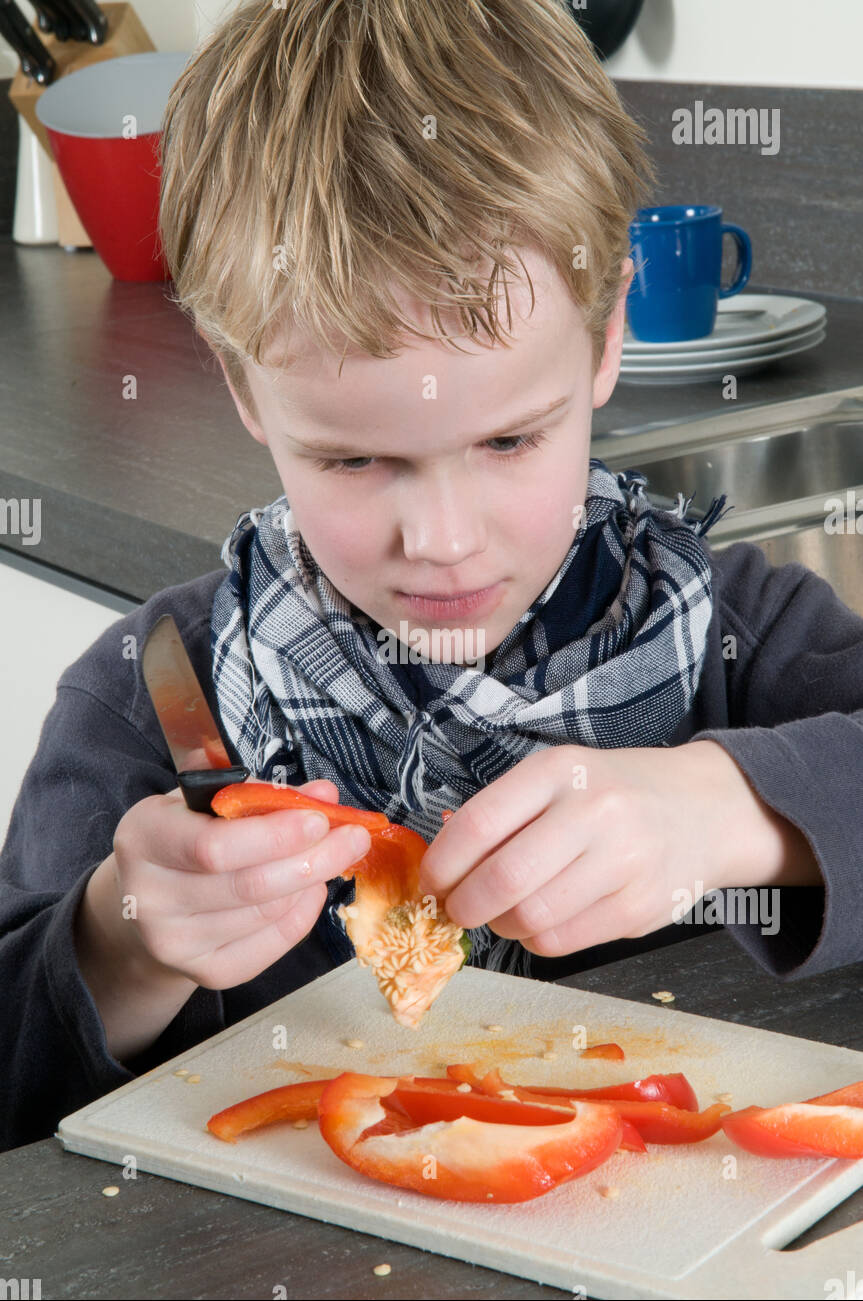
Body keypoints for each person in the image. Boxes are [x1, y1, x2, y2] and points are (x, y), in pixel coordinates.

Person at [1, 0, 860, 1154]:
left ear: (604, 340)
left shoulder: (740, 636)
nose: (445, 541)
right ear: (246, 392)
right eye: (355, 458)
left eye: (509, 442)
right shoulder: (150, 699)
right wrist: (123, 939)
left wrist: (734, 814)